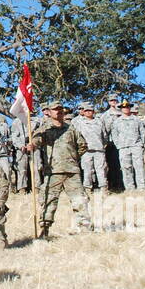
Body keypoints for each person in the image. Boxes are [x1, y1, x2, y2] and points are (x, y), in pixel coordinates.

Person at [30, 100, 93, 240]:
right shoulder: (45, 129)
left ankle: (85, 228)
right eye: (55, 109)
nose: (58, 111)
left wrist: (72, 158)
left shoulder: (71, 128)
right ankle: (44, 229)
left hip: (72, 171)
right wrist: (32, 145)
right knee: (49, 200)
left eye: (60, 109)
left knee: (80, 200)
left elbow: (82, 145)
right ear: (50, 112)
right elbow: (36, 141)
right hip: (53, 171)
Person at [70, 102, 111, 192]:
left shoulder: (99, 122)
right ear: (83, 112)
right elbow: (76, 136)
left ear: (93, 112)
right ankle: (88, 188)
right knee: (87, 171)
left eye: (90, 111)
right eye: (86, 111)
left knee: (101, 170)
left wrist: (102, 145)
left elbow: (104, 136)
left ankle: (103, 188)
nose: (88, 112)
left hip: (99, 150)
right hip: (86, 151)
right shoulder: (79, 123)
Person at [110, 100, 145, 190]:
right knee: (126, 168)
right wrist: (119, 145)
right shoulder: (117, 122)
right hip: (123, 148)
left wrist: (141, 144)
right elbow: (114, 135)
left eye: (127, 107)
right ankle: (129, 188)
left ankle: (142, 187)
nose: (126, 108)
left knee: (139, 167)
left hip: (136, 146)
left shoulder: (137, 120)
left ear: (130, 108)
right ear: (121, 109)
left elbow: (143, 132)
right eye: (124, 107)